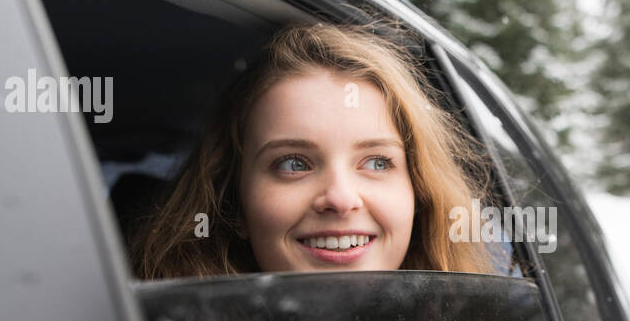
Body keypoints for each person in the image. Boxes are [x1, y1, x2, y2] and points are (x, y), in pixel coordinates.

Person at [129, 22, 499, 279]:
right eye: (293, 163)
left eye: (376, 161)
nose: (340, 199)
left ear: (419, 194)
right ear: (233, 205)